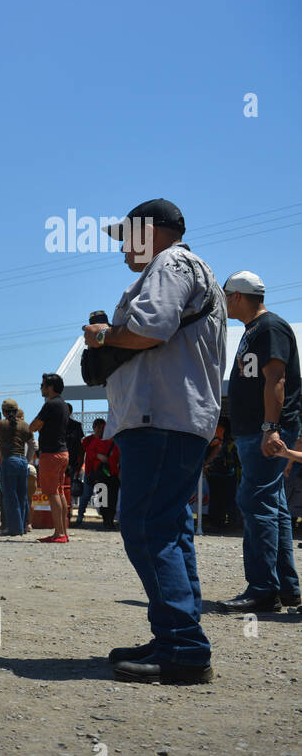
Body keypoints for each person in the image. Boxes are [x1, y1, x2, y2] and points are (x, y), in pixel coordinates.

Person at [83, 198, 225, 684]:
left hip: (161, 416)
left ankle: (183, 648)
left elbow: (148, 329)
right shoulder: (194, 269)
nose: (123, 248)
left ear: (154, 231)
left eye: (128, 237)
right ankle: (174, 637)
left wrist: (102, 336)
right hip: (176, 417)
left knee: (147, 526)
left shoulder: (172, 263)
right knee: (171, 527)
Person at [216, 271, 302, 612]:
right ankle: (285, 588)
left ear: (237, 296)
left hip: (264, 431)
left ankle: (263, 589)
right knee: (273, 507)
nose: (223, 302)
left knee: (255, 504)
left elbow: (276, 379)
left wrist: (270, 427)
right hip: (258, 431)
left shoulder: (269, 327)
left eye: (226, 296)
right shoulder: (255, 329)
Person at [29, 373, 72, 543]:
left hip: (51, 454)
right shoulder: (63, 405)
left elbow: (33, 426)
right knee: (59, 492)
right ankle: (62, 532)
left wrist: (40, 426)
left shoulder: (50, 405)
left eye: (43, 385)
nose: (41, 387)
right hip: (63, 452)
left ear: (50, 387)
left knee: (53, 493)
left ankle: (59, 534)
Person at [0, 400, 32, 536]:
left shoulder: (1, 424)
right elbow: (32, 445)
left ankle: (14, 529)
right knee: (22, 496)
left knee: (10, 497)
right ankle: (23, 526)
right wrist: (27, 459)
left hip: (9, 461)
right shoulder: (25, 425)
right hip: (22, 461)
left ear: (4, 412)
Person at [75, 418, 119, 528]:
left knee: (111, 498)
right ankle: (84, 517)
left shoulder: (112, 441)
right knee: (90, 496)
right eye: (98, 427)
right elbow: (84, 455)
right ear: (94, 428)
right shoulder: (90, 441)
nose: (100, 430)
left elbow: (117, 456)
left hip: (110, 474)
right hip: (96, 474)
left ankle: (108, 520)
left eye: (102, 427)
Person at [203, 416, 240, 532]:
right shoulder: (232, 435)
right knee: (230, 498)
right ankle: (233, 522)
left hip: (217, 470)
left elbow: (217, 447)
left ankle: (217, 522)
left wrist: (206, 463)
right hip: (230, 470)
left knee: (216, 498)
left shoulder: (217, 429)